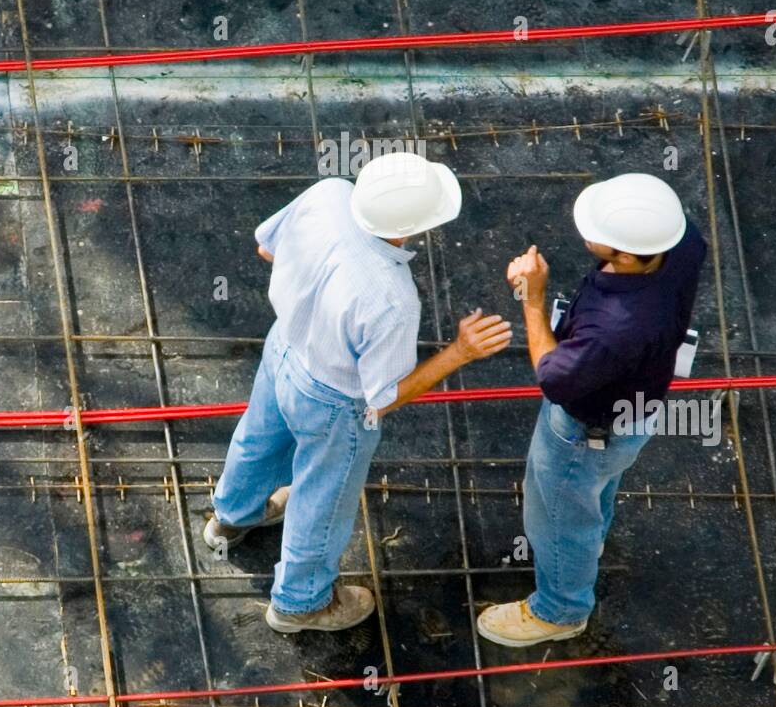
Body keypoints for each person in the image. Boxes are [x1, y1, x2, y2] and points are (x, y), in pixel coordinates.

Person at [206, 151, 512, 633]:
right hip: (333, 401)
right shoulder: (391, 297)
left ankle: (231, 516)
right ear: (413, 226)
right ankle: (300, 603)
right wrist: (460, 351)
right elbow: (382, 397)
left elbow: (268, 249)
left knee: (258, 436)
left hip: (283, 347)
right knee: (322, 499)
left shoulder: (328, 194)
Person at [478, 173, 707, 649]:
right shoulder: (682, 243)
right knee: (592, 491)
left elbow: (554, 376)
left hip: (586, 429)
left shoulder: (614, 328)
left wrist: (532, 298)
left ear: (623, 255)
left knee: (557, 512)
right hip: (635, 413)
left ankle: (560, 609)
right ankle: (586, 544)